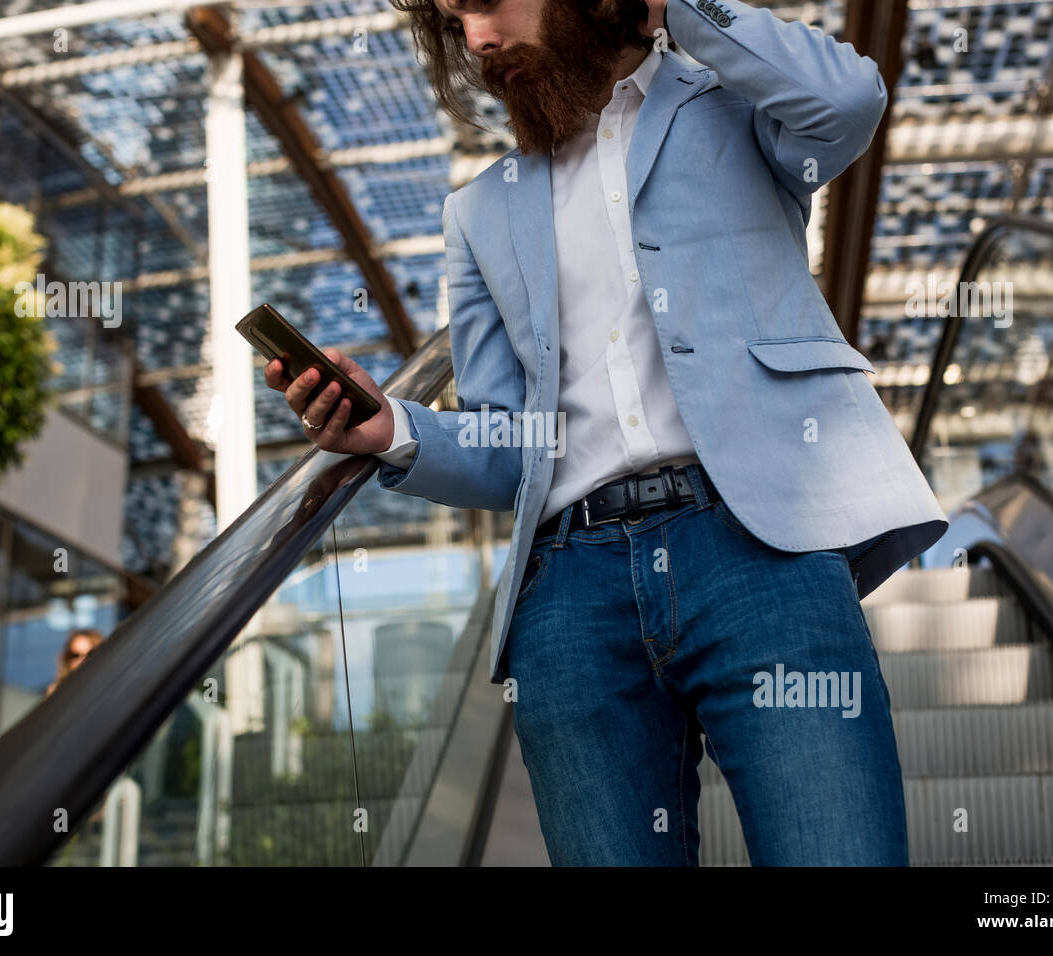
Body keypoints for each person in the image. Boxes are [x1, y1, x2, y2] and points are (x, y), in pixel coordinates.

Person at [264, 0, 949, 865]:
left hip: (763, 552)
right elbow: (512, 446)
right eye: (452, 23)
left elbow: (848, 101)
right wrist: (391, 429)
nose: (475, 40)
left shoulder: (733, 102)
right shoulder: (479, 214)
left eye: (483, 3)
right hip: (571, 597)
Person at [46, 628, 103, 697]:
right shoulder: (57, 692)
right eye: (75, 655)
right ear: (67, 659)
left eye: (90, 654)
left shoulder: (110, 686)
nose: (82, 660)